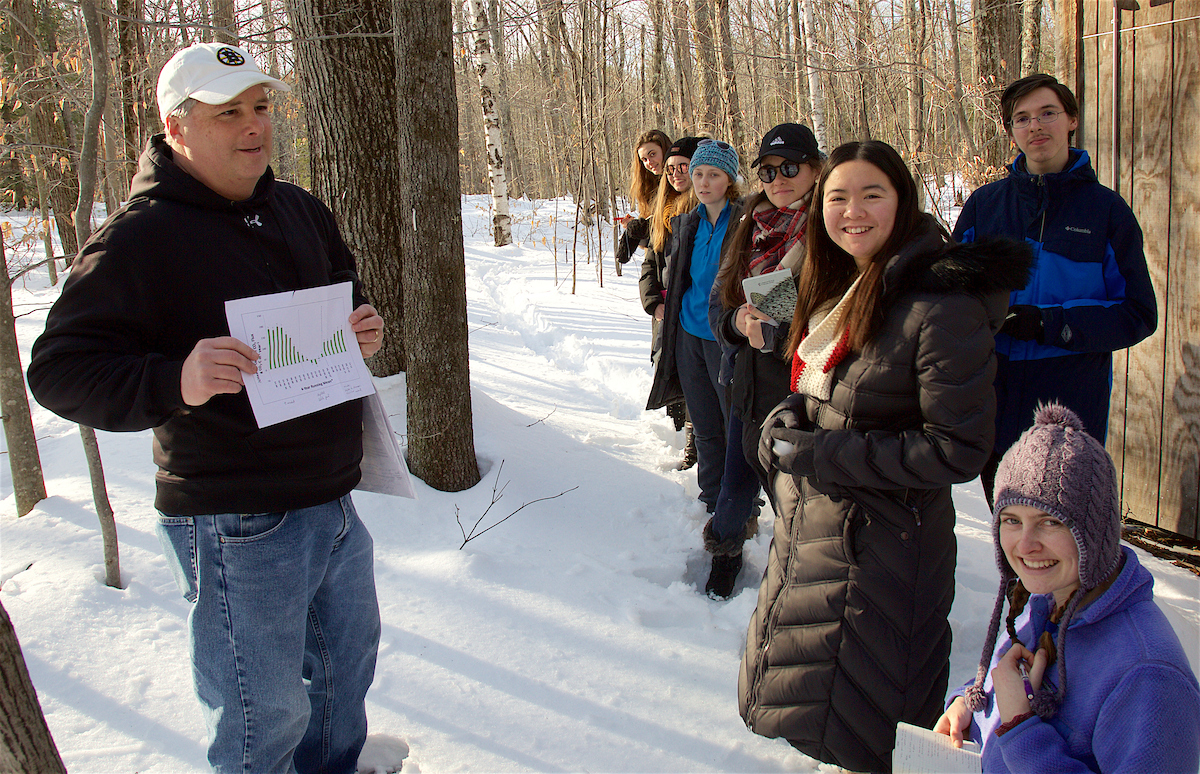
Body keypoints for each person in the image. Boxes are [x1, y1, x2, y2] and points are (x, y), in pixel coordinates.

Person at [27, 42, 384, 774]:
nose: (255, 127)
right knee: (265, 717)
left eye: (260, 108)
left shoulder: (297, 208)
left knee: (344, 683)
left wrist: (357, 326)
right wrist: (177, 379)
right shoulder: (139, 238)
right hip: (237, 523)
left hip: (333, 502)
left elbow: (339, 280)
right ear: (177, 126)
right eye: (229, 114)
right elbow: (59, 370)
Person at [739, 140, 1033, 772]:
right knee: (820, 721)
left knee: (869, 735)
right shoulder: (846, 283)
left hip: (884, 560)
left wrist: (823, 453)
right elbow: (827, 393)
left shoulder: (940, 305)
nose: (853, 211)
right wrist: (791, 418)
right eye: (838, 197)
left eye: (872, 194)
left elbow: (957, 449)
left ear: (902, 200)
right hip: (819, 541)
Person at [935, 403, 1200, 773]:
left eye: (1050, 522)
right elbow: (1012, 688)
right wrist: (972, 704)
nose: (1025, 545)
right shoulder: (1043, 601)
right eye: (1012, 520)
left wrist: (1019, 728)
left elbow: (1022, 723)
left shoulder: (1148, 677)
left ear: (1094, 534)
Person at [951, 73, 1157, 507]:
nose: (1036, 126)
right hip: (996, 388)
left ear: (1071, 121)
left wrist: (1049, 324)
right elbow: (951, 299)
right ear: (1011, 132)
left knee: (1062, 524)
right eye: (1022, 118)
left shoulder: (1106, 211)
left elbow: (1138, 313)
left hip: (1069, 394)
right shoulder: (984, 206)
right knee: (1006, 521)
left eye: (1048, 113)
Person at [703, 123, 823, 598]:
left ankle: (800, 581)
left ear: (816, 169)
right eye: (769, 171)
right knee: (735, 483)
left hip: (803, 390)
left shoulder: (832, 227)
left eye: (791, 167)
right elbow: (719, 305)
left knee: (799, 498)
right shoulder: (748, 226)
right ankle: (724, 559)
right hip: (746, 383)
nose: (779, 179)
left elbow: (836, 316)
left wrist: (772, 335)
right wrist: (737, 325)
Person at [645, 139, 748, 574]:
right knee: (704, 425)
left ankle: (740, 507)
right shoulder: (686, 222)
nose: (704, 182)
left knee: (733, 426)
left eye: (714, 175)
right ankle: (712, 498)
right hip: (688, 333)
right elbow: (671, 270)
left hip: (727, 338)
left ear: (729, 180)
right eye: (700, 174)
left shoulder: (744, 222)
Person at [641, 135, 702, 469]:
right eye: (671, 169)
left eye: (684, 167)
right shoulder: (662, 209)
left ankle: (695, 445)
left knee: (695, 380)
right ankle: (685, 432)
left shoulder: (703, 208)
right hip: (667, 311)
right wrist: (653, 302)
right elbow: (650, 263)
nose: (676, 174)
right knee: (669, 369)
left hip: (694, 312)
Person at [616, 129, 671, 265]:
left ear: (665, 150)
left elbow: (671, 228)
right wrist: (637, 227)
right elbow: (651, 241)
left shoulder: (679, 184)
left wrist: (637, 227)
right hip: (656, 264)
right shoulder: (649, 186)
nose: (649, 162)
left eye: (653, 154)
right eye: (644, 159)